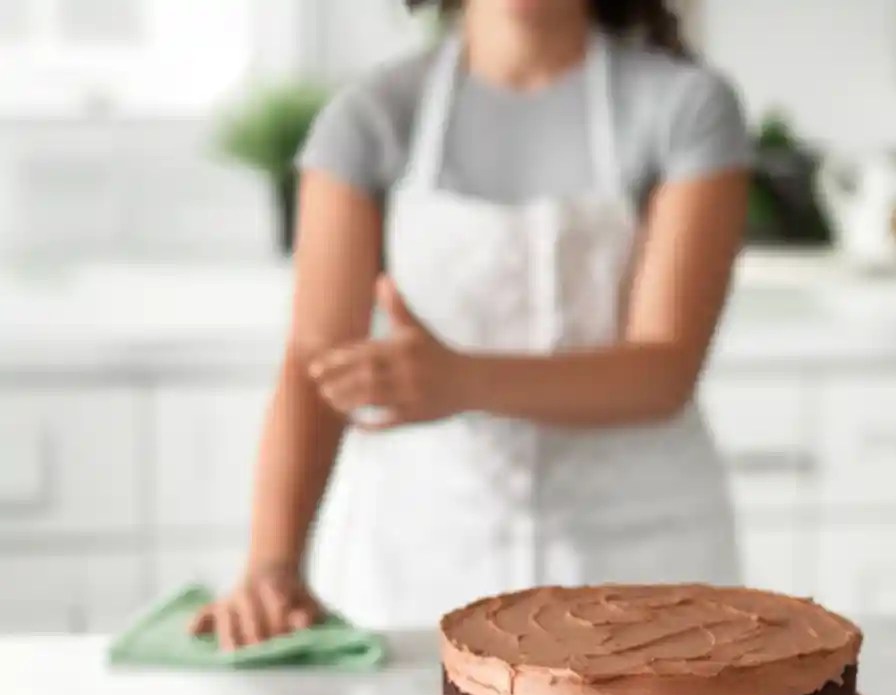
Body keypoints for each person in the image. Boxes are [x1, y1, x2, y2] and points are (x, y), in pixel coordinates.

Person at [191, 0, 750, 648]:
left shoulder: (688, 108)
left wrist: (462, 381)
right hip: (422, 560)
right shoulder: (369, 120)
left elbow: (664, 370)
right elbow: (317, 360)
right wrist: (272, 565)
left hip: (643, 557)